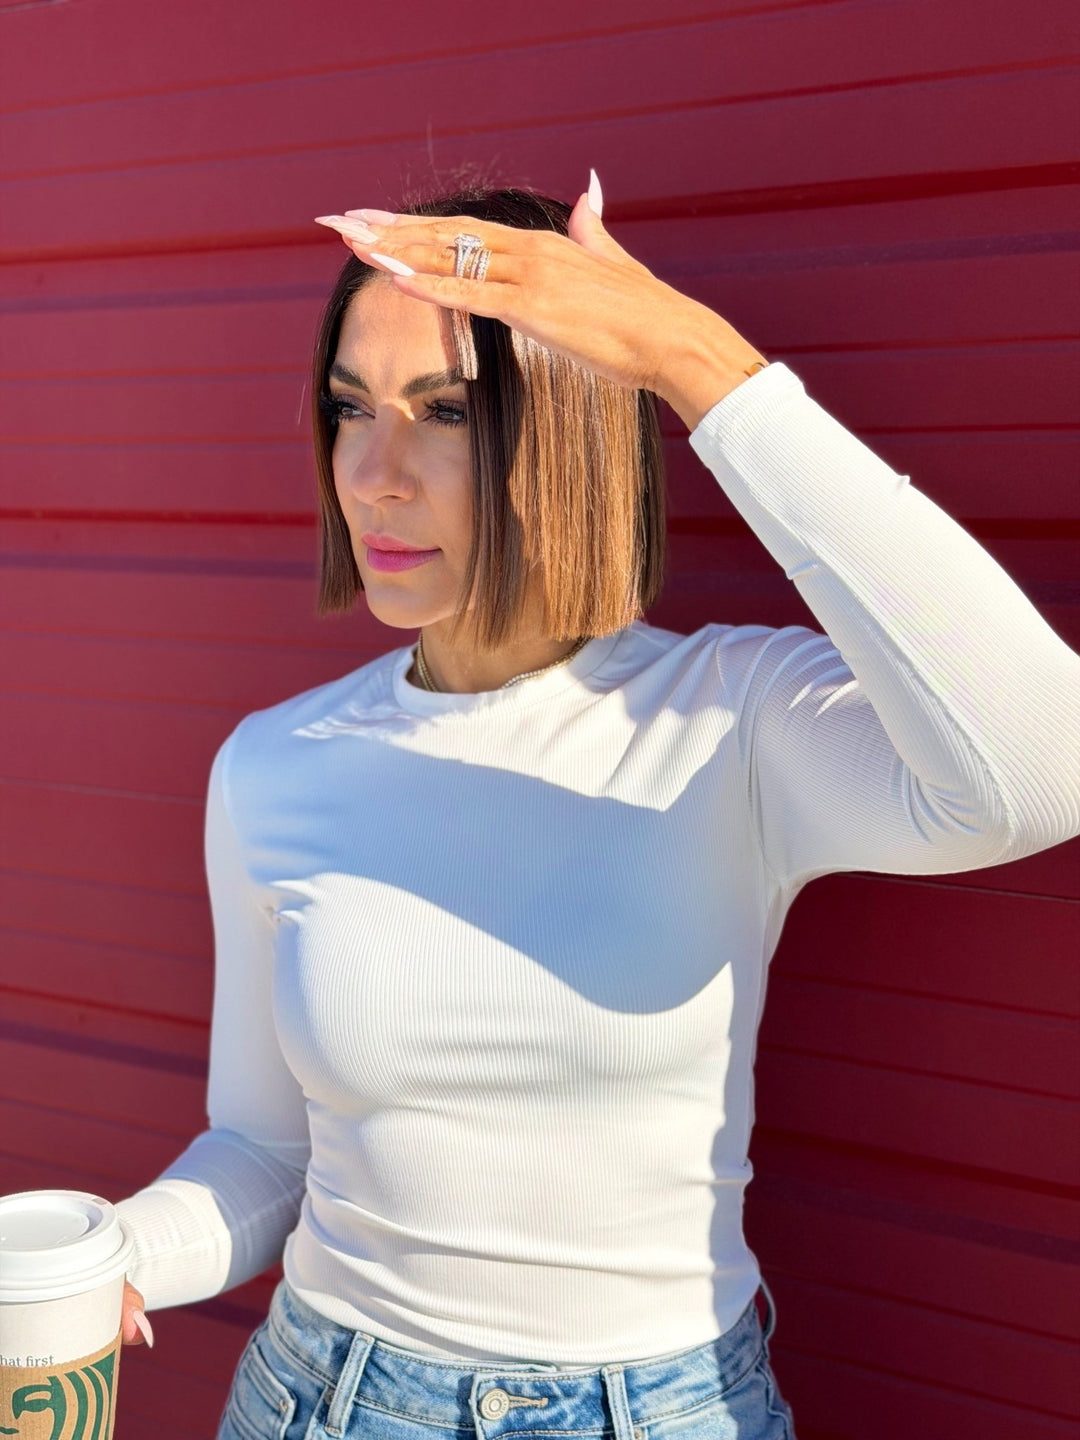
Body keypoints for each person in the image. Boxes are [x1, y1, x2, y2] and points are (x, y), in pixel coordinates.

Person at [110, 176, 1080, 1439]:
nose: (373, 474)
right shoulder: (275, 764)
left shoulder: (731, 716)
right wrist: (112, 1257)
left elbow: (1042, 770)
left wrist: (690, 357)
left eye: (446, 412)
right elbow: (265, 1150)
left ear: (568, 429)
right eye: (351, 407)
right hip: (323, 1402)